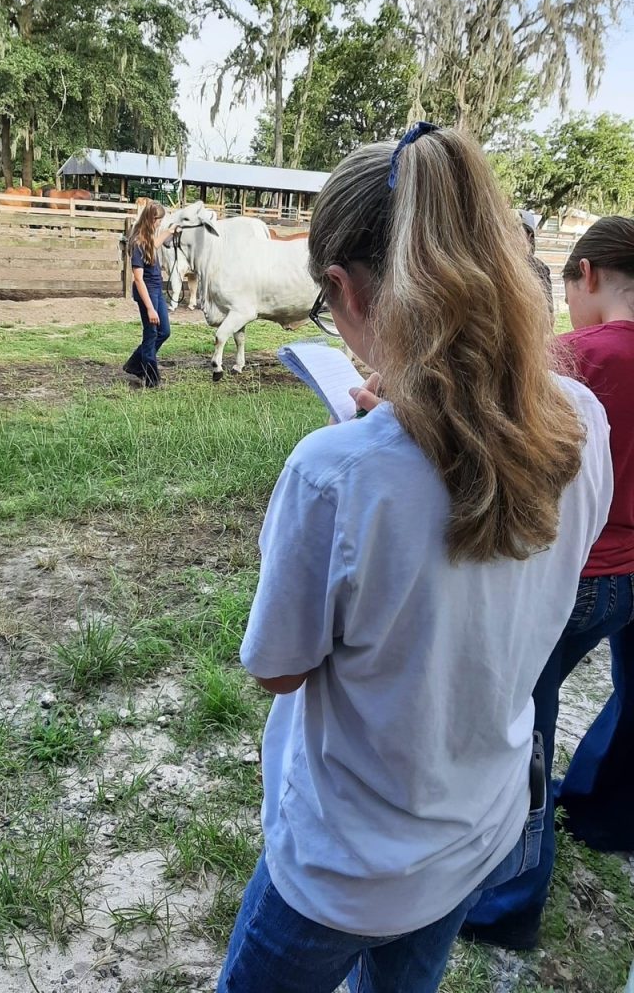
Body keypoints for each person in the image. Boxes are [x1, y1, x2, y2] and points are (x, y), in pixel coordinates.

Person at [216, 125, 613, 993]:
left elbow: (277, 671)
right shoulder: (585, 422)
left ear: (342, 290)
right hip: (473, 836)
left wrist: (358, 453)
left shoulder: (336, 474)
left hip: (341, 871)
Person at [461, 215, 634, 951]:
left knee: (525, 728)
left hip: (586, 571)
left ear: (586, 275)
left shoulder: (577, 357)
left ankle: (510, 900)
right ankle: (605, 814)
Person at [122, 200, 178, 387]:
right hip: (147, 293)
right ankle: (152, 380)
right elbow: (138, 279)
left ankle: (135, 364)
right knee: (151, 334)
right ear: (151, 219)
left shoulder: (146, 237)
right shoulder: (138, 243)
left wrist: (169, 232)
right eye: (159, 221)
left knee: (164, 331)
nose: (160, 224)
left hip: (156, 290)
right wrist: (150, 308)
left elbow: (153, 244)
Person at [517, 209, 554, 322]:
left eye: (514, 230)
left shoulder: (538, 268)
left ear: (529, 236)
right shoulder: (494, 265)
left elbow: (549, 314)